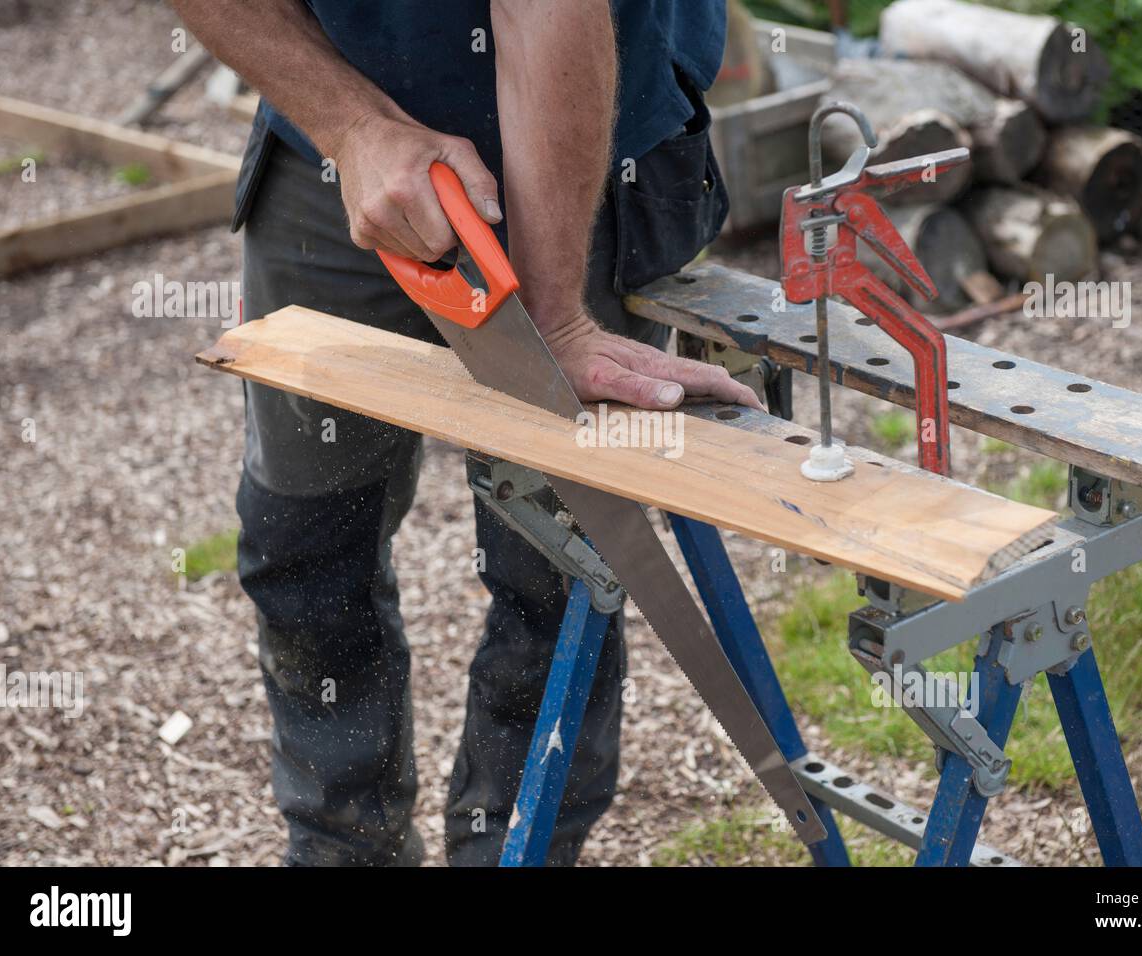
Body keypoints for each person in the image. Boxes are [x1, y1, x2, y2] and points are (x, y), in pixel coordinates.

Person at [169, 0, 758, 866]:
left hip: (584, 132)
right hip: (329, 119)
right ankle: (345, 846)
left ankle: (512, 851)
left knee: (560, 568)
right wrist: (351, 126)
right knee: (304, 541)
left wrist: (553, 322)